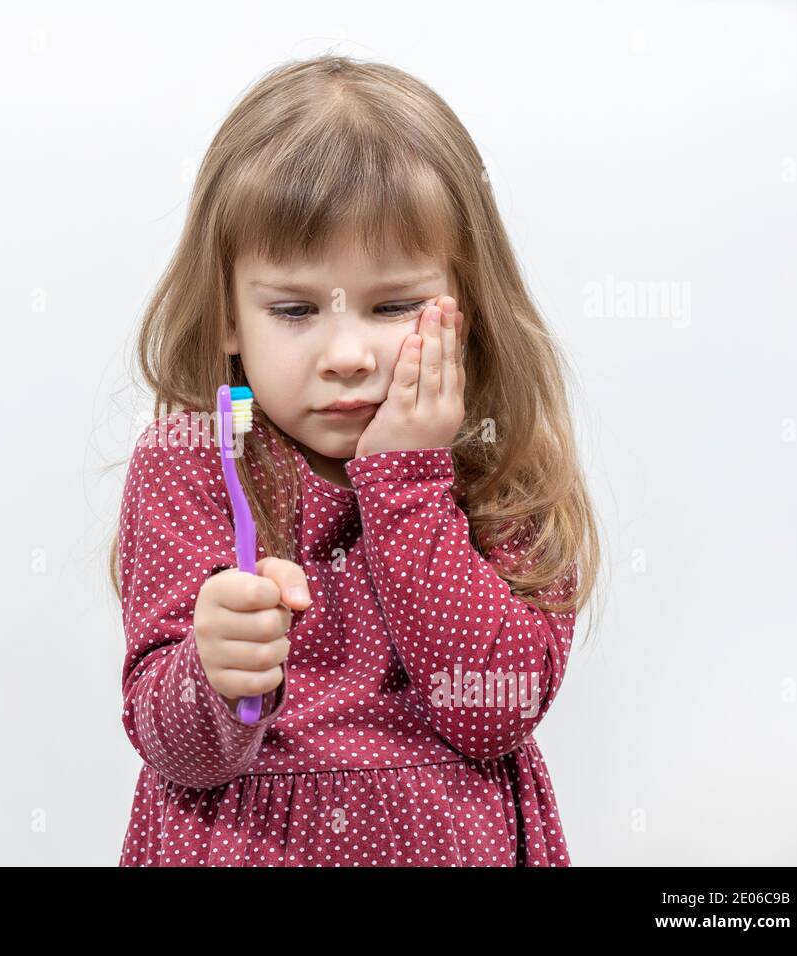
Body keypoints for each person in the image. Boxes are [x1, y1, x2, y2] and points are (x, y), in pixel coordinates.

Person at [109, 54, 600, 866]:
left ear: (467, 302)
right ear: (229, 315)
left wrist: (408, 481)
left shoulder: (503, 465)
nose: (345, 353)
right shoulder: (193, 461)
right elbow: (177, 752)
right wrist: (214, 672)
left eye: (395, 305)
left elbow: (496, 712)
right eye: (296, 309)